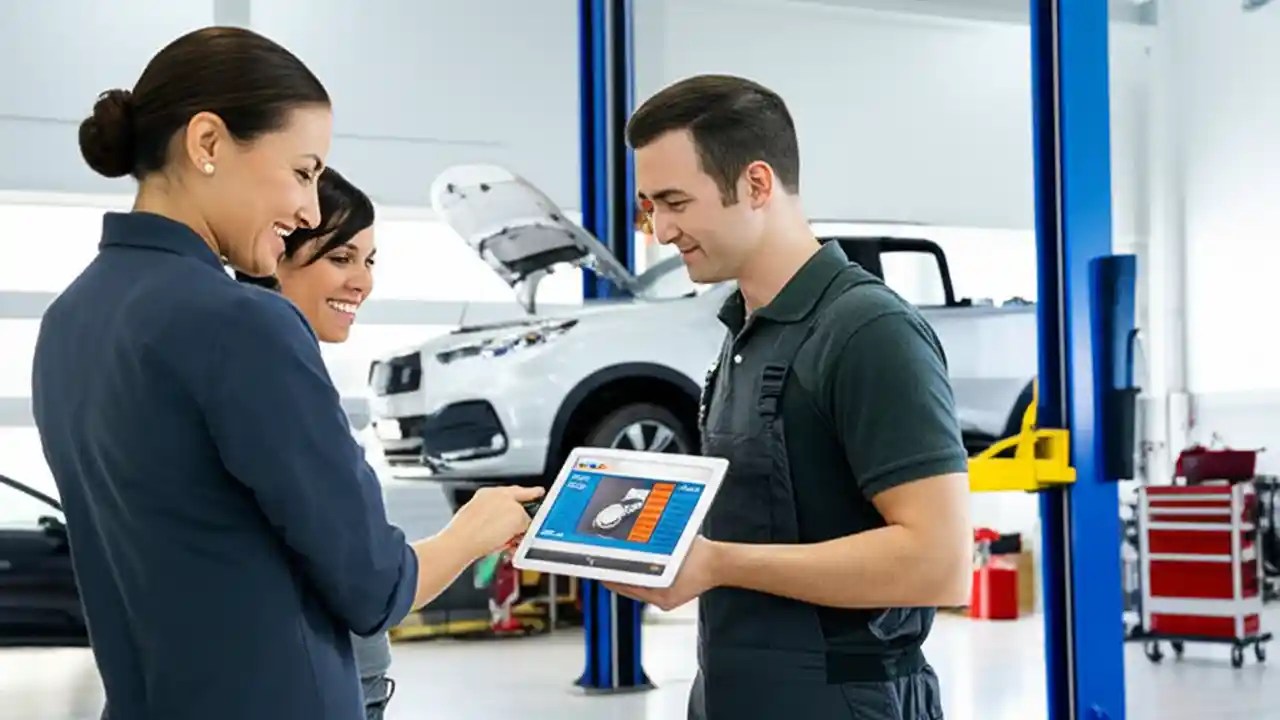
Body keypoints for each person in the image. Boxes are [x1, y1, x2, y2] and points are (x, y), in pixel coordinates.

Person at [31, 26, 541, 720]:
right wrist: (476, 527)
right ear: (207, 143)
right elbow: (374, 586)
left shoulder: (70, 319)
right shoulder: (244, 323)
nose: (308, 209)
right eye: (302, 171)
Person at [606, 74, 973, 720]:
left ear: (755, 184)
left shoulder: (868, 332)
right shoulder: (742, 333)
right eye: (648, 206)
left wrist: (717, 564)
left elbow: (938, 561)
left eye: (674, 202)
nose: (659, 230)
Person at [235, 166, 395, 719]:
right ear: (277, 250)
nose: (364, 282)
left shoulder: (276, 363)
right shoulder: (264, 370)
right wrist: (473, 533)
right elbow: (366, 575)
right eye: (341, 258)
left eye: (369, 261)